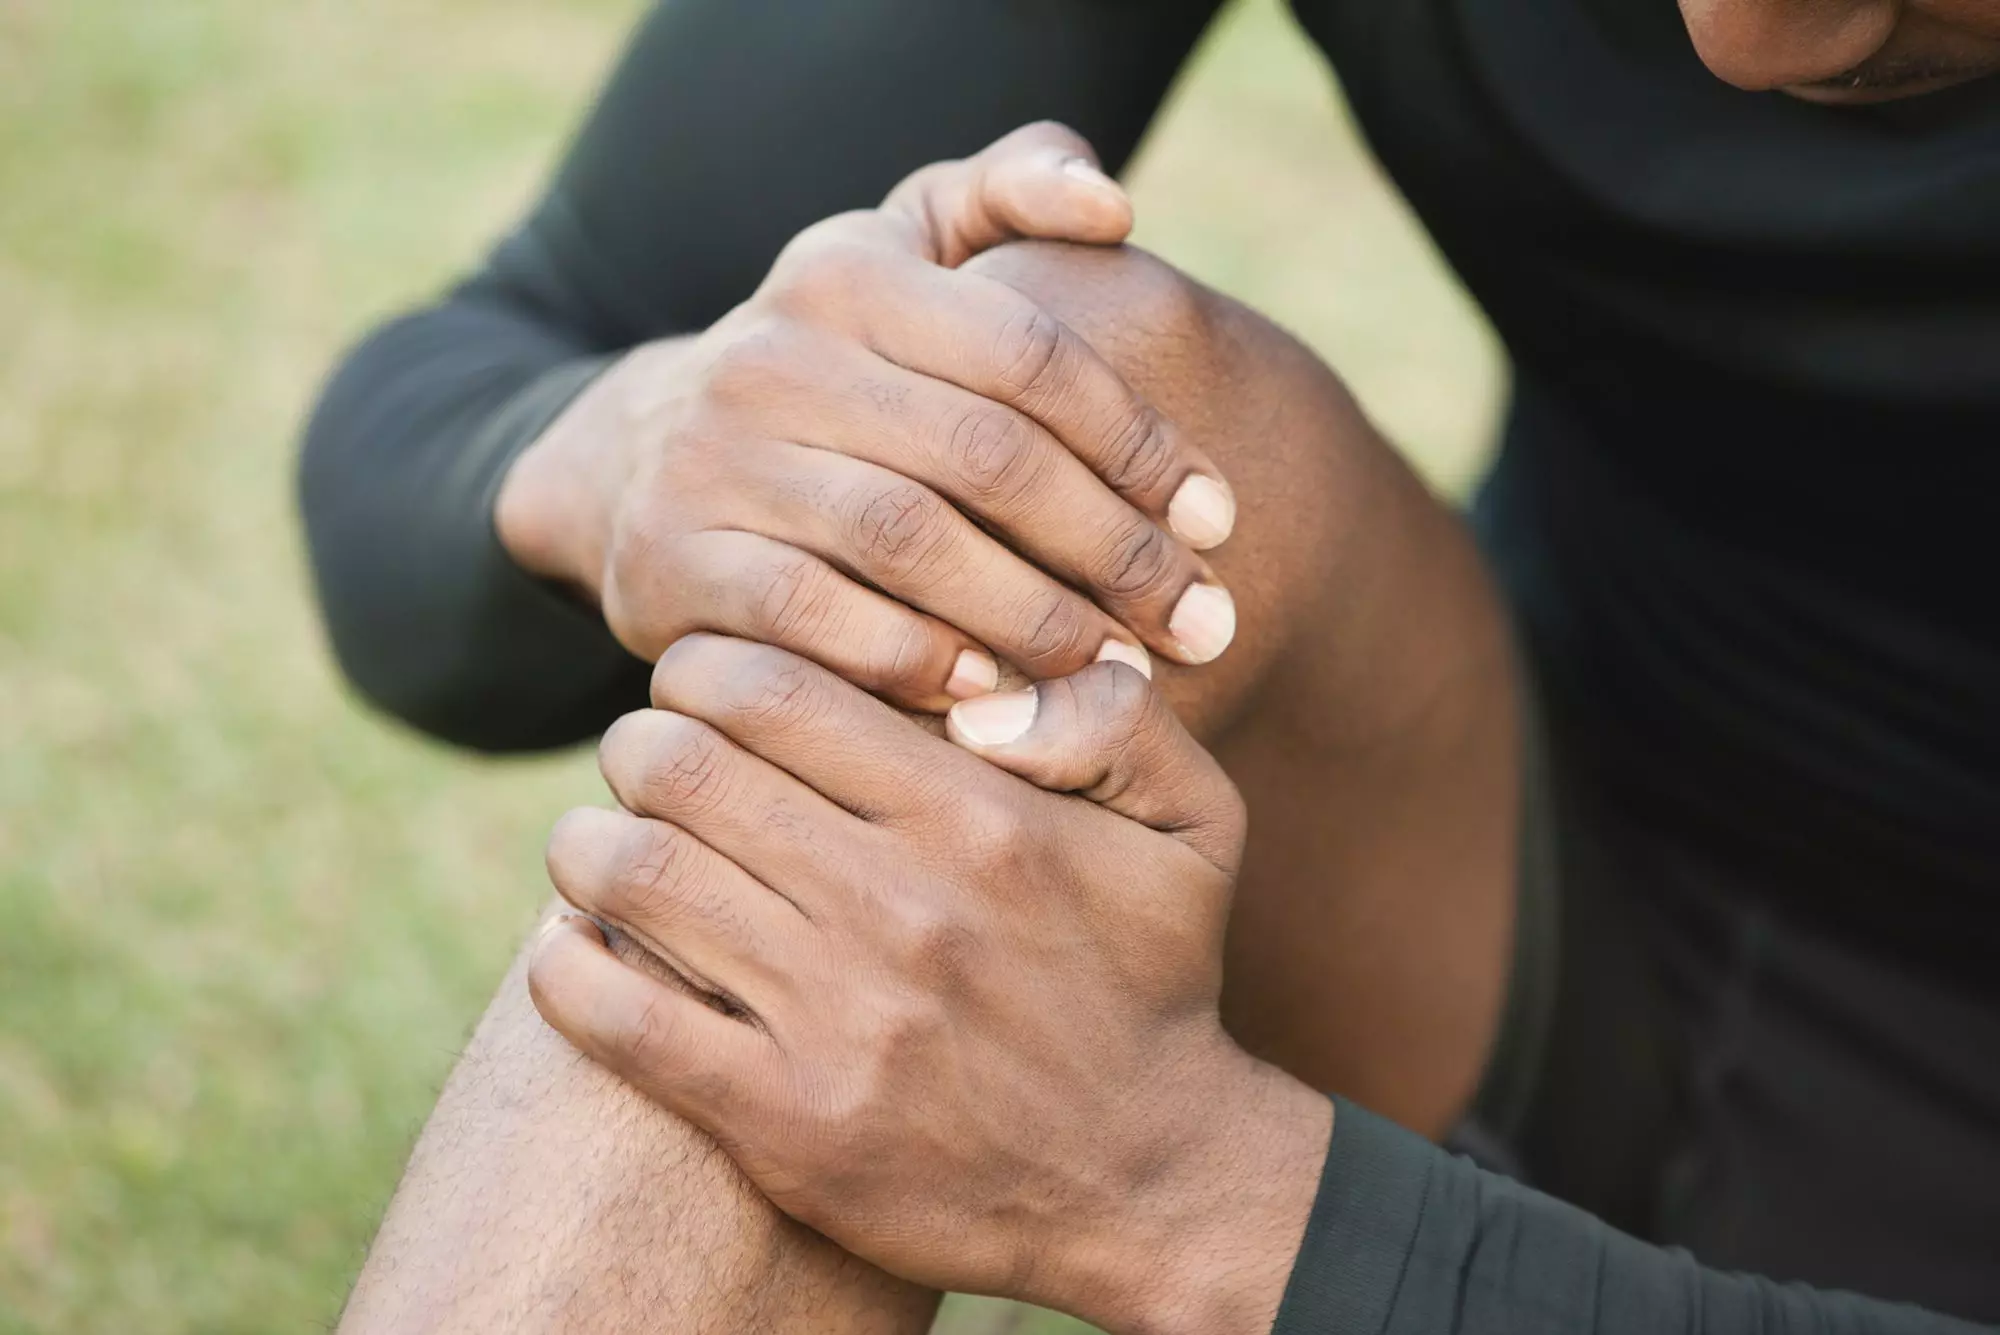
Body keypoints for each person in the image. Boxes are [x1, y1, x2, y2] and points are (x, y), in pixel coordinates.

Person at [297, 0, 2000, 1331]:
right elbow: (465, 392)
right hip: (1524, 918)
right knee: (1019, 444)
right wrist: (642, 448)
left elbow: (1209, 1211)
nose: (1745, 43)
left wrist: (1202, 1202)